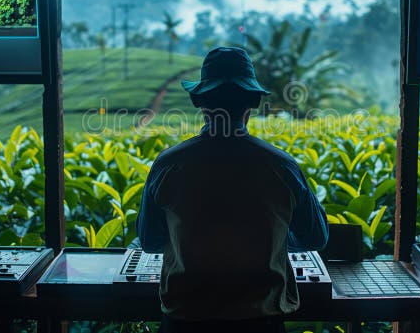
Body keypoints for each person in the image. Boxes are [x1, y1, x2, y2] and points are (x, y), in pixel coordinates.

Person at [136, 47, 329, 333]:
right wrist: (271, 238)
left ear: (199, 102)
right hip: (262, 324)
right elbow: (316, 237)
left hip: (185, 323)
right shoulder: (283, 167)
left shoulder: (168, 165)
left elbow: (150, 241)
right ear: (252, 102)